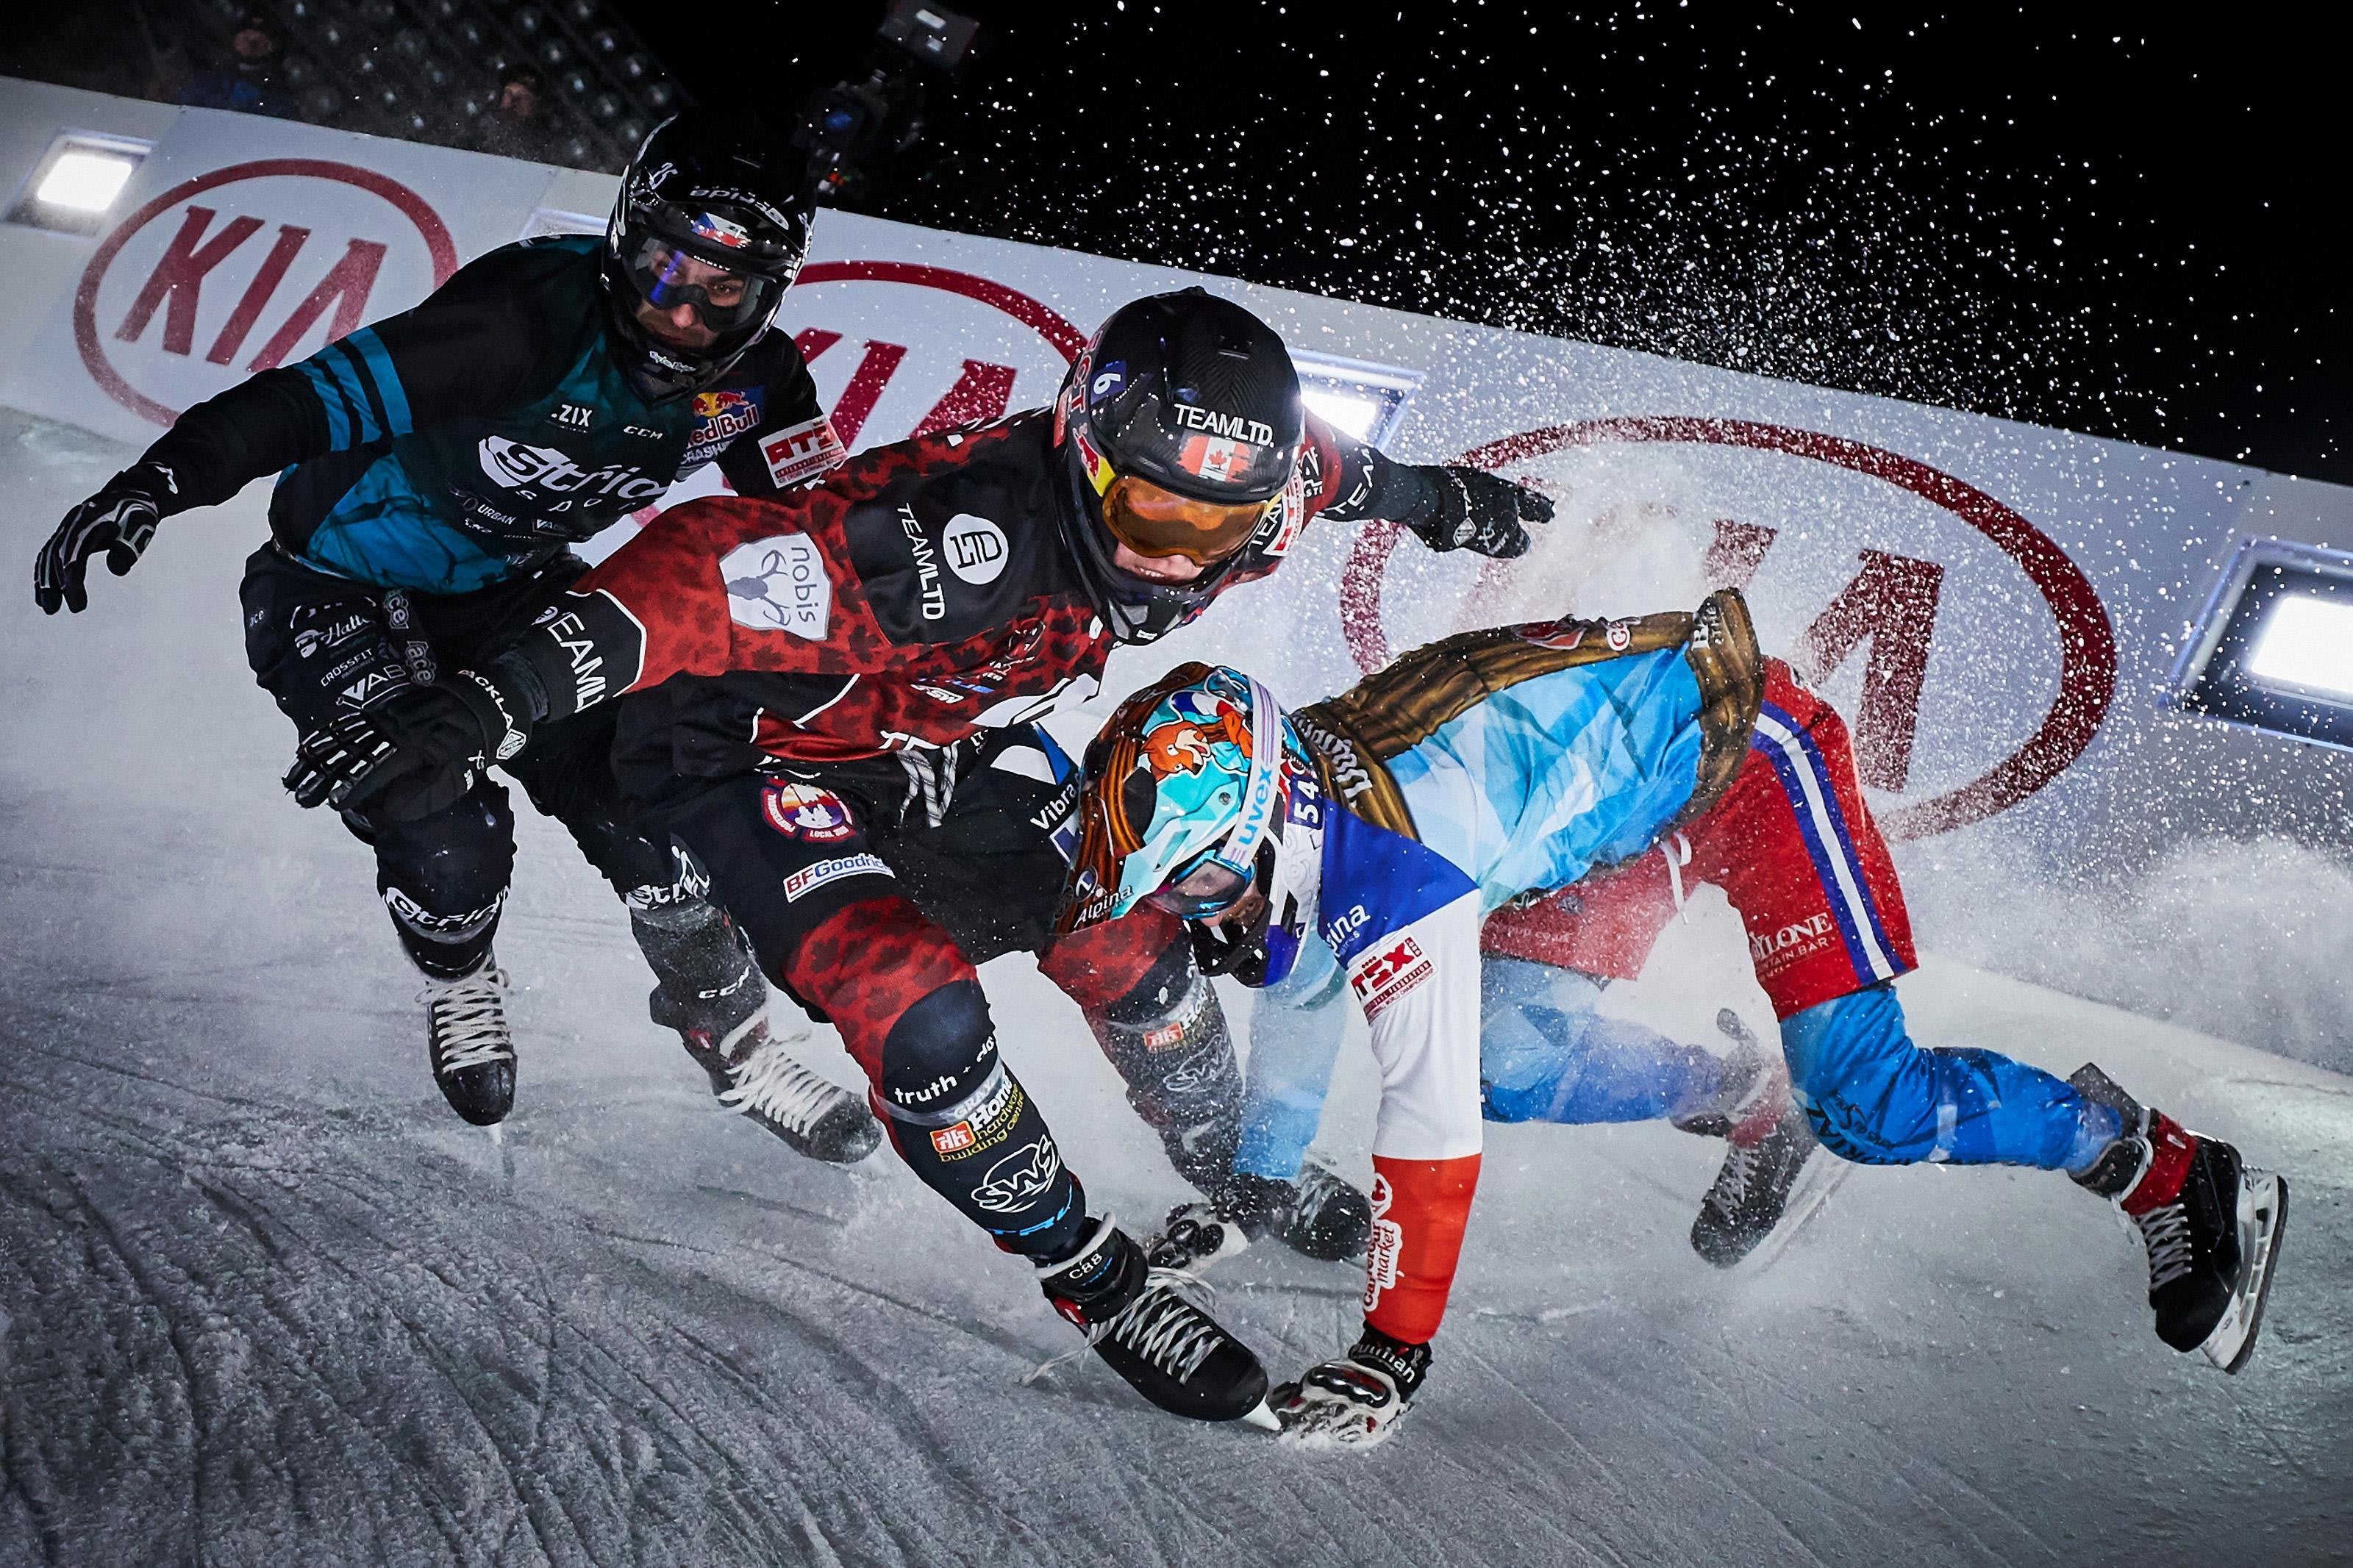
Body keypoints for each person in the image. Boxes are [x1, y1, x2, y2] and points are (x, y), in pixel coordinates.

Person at [280, 285, 1555, 1422]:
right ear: (1082, 448)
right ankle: (1090, 1276)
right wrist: (492, 701)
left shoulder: (1250, 493)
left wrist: (1452, 503)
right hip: (750, 747)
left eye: (1210, 531)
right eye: (1151, 511)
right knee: (922, 1017)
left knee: (1130, 938)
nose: (1173, 560)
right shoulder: (948, 545)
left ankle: (1229, 1158)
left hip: (927, 737)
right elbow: (698, 567)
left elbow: (1332, 472)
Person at [1055, 593, 2288, 1449]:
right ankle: (1755, 1102)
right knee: (1513, 1059)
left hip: (1750, 765)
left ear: (1267, 822)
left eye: (1196, 879)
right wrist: (1256, 1179)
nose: (1187, 912)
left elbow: (1423, 1132)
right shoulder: (1305, 783)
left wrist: (1394, 1350)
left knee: (1869, 1101)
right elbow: (1310, 969)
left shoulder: (1400, 865)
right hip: (1609, 811)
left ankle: (2163, 1165)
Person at [32, 112, 879, 1162]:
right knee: (441, 829)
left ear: (773, 296)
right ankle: (459, 969)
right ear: (625, 240)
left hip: (519, 591)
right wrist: (162, 479)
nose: (686, 315)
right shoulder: (519, 323)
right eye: (668, 271)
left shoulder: (761, 384)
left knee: (666, 800)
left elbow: (827, 537)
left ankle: (736, 1040)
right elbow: (305, 403)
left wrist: (912, 656)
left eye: (727, 292)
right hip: (332, 584)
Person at [171, 12, 298, 121]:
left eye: (259, 42)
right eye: (245, 38)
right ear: (234, 41)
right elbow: (182, 107)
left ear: (271, 48)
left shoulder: (278, 88)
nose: (250, 45)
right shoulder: (213, 78)